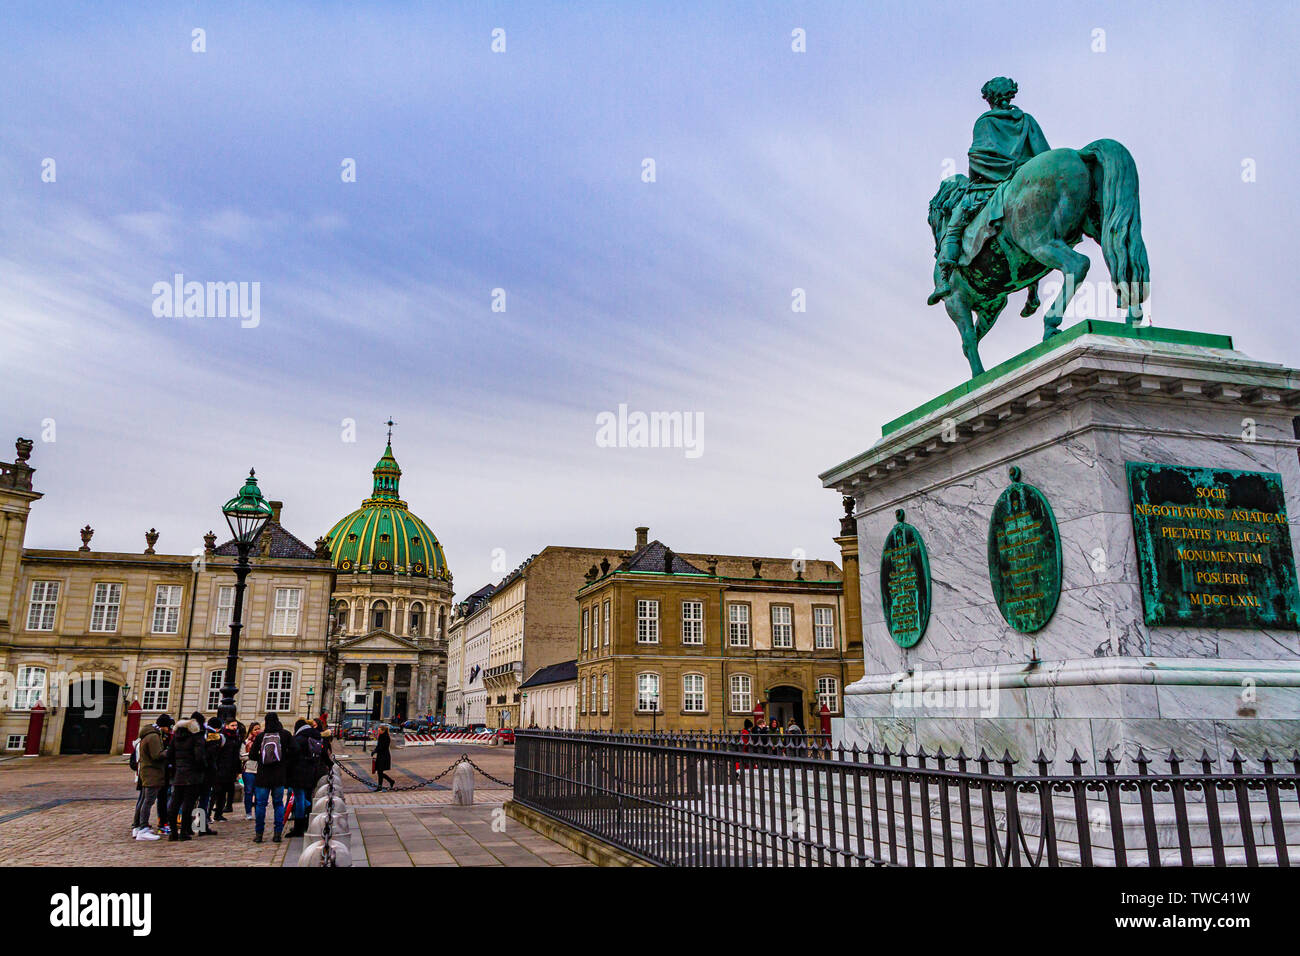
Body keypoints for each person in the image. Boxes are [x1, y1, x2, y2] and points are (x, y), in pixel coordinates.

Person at [928, 77, 1050, 305]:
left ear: (989, 98)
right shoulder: (1027, 120)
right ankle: (1033, 293)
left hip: (989, 186)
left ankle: (943, 279)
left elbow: (977, 156)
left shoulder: (984, 122)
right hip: (1024, 183)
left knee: (954, 227)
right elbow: (1044, 155)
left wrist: (977, 179)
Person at [250, 713, 293, 843]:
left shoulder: (261, 736)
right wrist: (283, 760)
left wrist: (262, 759)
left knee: (261, 805)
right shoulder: (285, 735)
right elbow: (295, 750)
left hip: (263, 776)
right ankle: (277, 833)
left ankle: (259, 834)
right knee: (278, 804)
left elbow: (252, 755)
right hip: (279, 775)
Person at [131, 713, 173, 841]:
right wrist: (170, 751)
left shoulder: (148, 734)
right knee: (148, 801)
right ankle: (143, 828)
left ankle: (138, 826)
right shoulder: (154, 736)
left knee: (144, 800)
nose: (169, 730)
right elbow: (157, 755)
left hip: (147, 772)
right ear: (164, 726)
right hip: (152, 772)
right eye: (168, 727)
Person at [164, 716, 205, 841]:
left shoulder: (175, 738)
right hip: (192, 775)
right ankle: (184, 832)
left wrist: (176, 767)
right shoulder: (195, 738)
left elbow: (169, 755)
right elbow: (199, 757)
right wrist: (202, 767)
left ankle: (173, 832)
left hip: (179, 774)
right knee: (188, 804)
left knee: (175, 803)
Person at [288, 718, 324, 837]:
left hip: (298, 772)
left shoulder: (298, 739)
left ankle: (299, 827)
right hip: (312, 771)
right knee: (306, 797)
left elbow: (291, 756)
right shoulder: (316, 736)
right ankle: (308, 822)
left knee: (300, 799)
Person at [210, 718, 242, 824]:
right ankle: (207, 814)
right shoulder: (221, 737)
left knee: (223, 794)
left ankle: (218, 814)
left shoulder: (236, 738)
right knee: (215, 793)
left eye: (236, 725)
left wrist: (238, 770)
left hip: (230, 770)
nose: (235, 728)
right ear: (226, 726)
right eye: (232, 725)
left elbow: (236, 755)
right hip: (220, 769)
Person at [241, 721, 261, 820]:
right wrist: (253, 755)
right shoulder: (246, 742)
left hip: (259, 769)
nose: (258, 731)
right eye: (255, 729)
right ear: (251, 730)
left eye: (259, 728)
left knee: (258, 792)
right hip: (249, 769)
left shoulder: (262, 741)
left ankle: (258, 812)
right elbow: (241, 756)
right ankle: (248, 812)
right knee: (248, 791)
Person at [372, 723, 394, 791]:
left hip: (384, 756)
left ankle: (380, 787)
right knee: (379, 772)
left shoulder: (385, 737)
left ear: (383, 731)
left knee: (380, 772)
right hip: (381, 755)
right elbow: (378, 746)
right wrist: (375, 751)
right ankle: (390, 781)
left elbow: (382, 747)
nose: (378, 732)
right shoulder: (381, 736)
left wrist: (375, 751)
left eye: (379, 730)